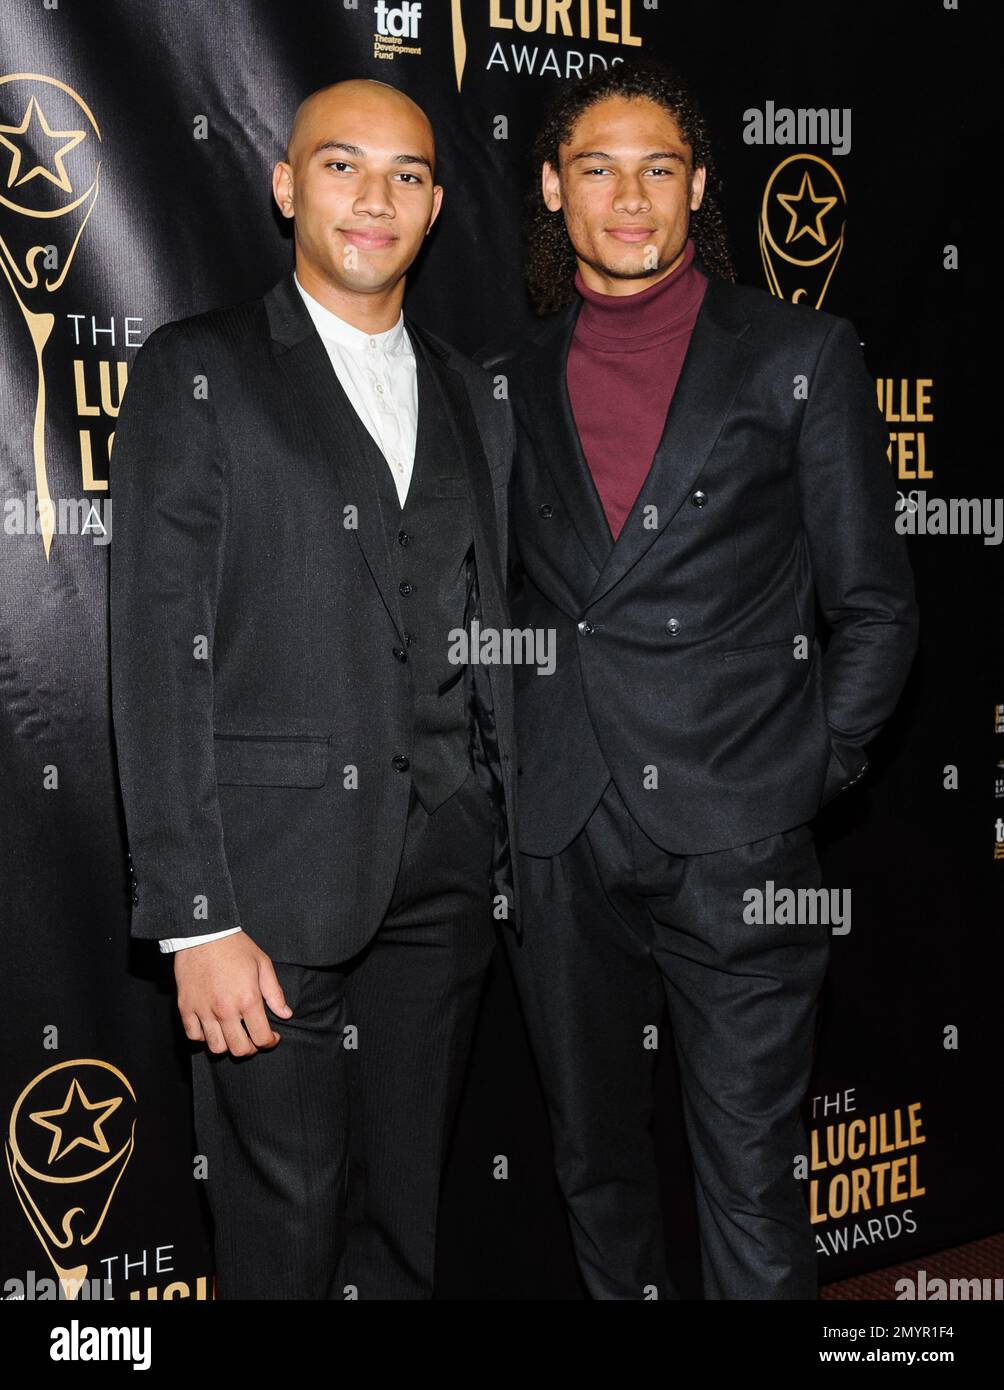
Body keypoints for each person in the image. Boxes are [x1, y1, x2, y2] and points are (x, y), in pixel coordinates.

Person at [481, 59, 919, 1300]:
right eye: (598, 169)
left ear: (699, 188)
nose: (629, 197)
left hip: (741, 836)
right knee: (594, 1171)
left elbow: (875, 603)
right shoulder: (499, 384)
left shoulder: (801, 352)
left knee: (748, 1180)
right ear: (553, 193)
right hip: (560, 835)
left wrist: (806, 772)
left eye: (658, 168)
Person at [109, 78, 518, 1299]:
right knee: (282, 1233)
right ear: (287, 186)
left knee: (405, 1220)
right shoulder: (199, 371)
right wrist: (194, 914)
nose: (372, 198)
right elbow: (151, 647)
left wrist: (494, 829)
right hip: (265, 891)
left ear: (436, 208)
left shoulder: (469, 390)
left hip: (442, 874)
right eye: (340, 166)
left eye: (404, 176)